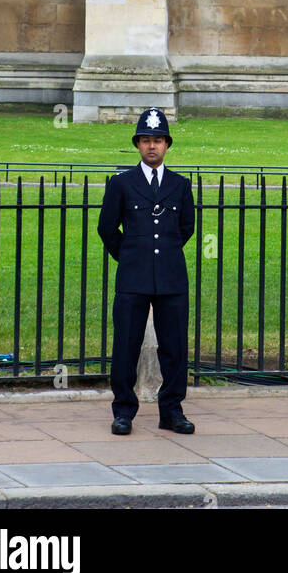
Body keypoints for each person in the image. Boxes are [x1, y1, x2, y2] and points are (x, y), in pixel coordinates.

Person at [98, 107, 196, 435]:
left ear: (167, 145)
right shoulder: (121, 184)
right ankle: (123, 410)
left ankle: (171, 410)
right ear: (137, 145)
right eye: (145, 140)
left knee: (174, 347)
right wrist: (129, 256)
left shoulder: (180, 185)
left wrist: (162, 256)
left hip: (170, 278)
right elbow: (107, 228)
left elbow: (186, 227)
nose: (152, 146)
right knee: (127, 344)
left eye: (157, 140)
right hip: (133, 277)